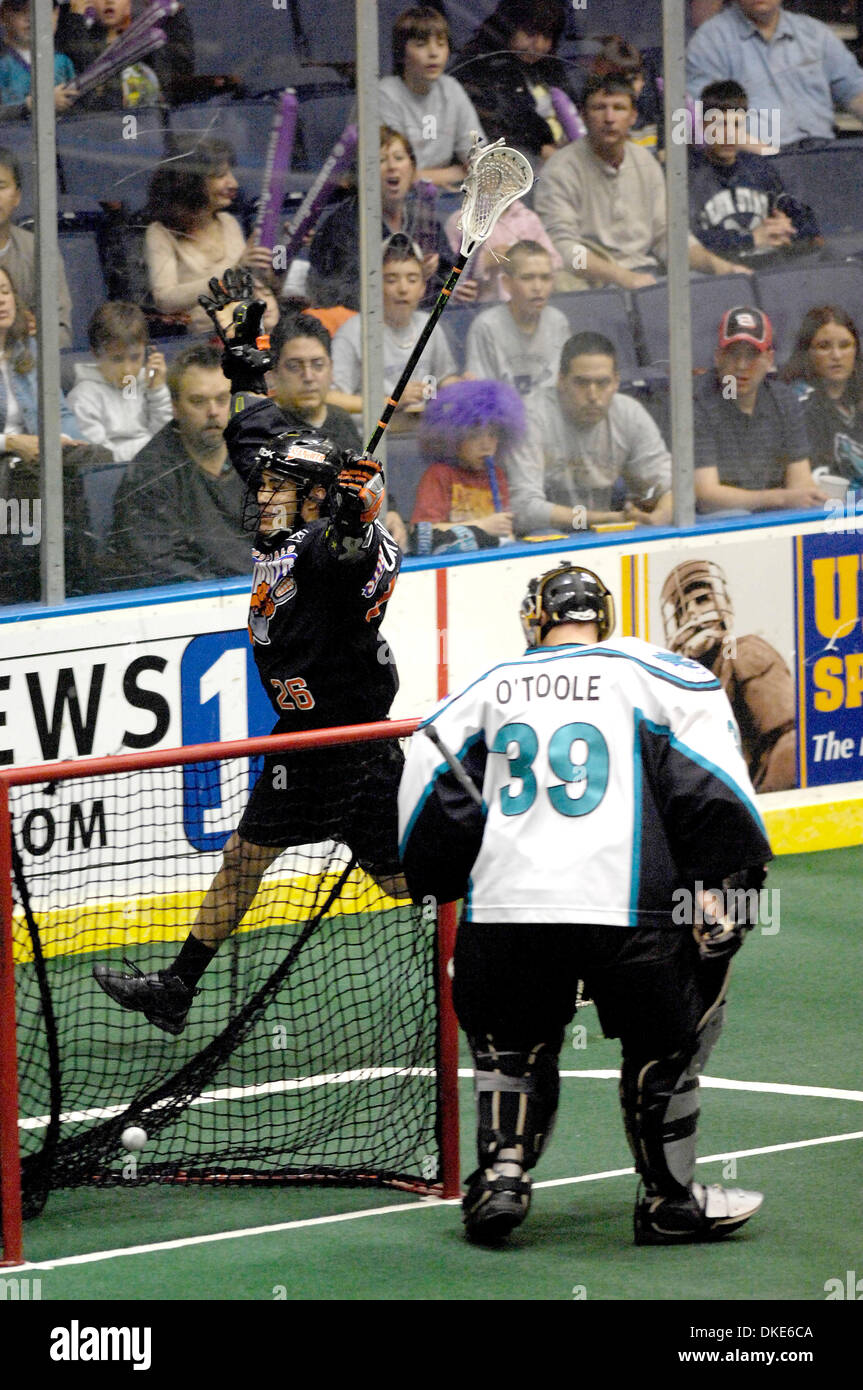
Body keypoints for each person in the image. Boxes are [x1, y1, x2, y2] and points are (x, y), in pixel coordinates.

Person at [398, 562, 772, 1244]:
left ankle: (502, 1178)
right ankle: (668, 1200)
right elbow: (710, 785)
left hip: (508, 911)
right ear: (601, 616)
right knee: (664, 1044)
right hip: (628, 913)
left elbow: (431, 790)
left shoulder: (486, 688)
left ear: (532, 618)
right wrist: (724, 885)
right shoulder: (656, 672)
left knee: (508, 1045)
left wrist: (436, 873)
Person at [94, 269, 406, 1035]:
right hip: (308, 738)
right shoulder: (289, 501)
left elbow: (366, 558)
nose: (259, 495)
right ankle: (176, 989)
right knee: (255, 859)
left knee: (401, 878)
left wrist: (360, 520)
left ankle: (530, 933)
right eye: (262, 486)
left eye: (276, 491)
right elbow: (254, 427)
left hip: (349, 742)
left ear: (311, 503)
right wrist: (246, 360)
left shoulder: (335, 553)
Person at [533, 74, 751, 292]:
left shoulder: (645, 161)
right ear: (583, 115)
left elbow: (667, 235)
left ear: (633, 116)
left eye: (619, 108)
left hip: (649, 275)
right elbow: (564, 248)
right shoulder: (560, 169)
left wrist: (720, 267)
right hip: (595, 285)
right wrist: (622, 277)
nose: (609, 118)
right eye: (599, 108)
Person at [108, 342, 249, 587]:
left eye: (222, 399)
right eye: (198, 401)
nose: (213, 411)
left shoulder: (259, 454)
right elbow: (160, 570)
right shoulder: (149, 476)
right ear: (175, 407)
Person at [505, 331, 673, 534]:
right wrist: (602, 520)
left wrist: (660, 516)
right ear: (561, 381)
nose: (593, 395)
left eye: (602, 383)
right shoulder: (531, 417)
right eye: (581, 383)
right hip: (544, 534)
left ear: (616, 382)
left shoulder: (630, 413)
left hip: (607, 529)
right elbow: (524, 510)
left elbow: (670, 484)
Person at [0, 266, 98, 603]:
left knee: (100, 458)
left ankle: (87, 570)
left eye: (5, 291)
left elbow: (59, 411)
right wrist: (10, 443)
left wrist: (69, 439)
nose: (1, 300)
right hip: (7, 465)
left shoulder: (28, 348)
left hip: (37, 459)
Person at [660, 558, 796, 792]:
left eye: (702, 600)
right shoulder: (685, 681)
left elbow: (790, 742)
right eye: (682, 609)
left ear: (724, 604)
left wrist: (765, 808)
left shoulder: (745, 653)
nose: (691, 612)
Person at [307, 125, 461, 314]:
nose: (392, 166)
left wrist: (440, 279)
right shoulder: (342, 226)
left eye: (399, 158)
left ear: (412, 169)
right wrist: (407, 277)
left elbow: (448, 282)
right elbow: (337, 295)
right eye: (380, 160)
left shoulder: (424, 219)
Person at [694, 306, 828, 512]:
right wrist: (782, 499)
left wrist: (800, 498)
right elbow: (707, 496)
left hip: (773, 520)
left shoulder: (783, 400)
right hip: (718, 525)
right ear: (718, 357)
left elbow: (801, 483)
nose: (741, 365)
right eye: (733, 354)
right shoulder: (699, 402)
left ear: (769, 359)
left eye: (752, 355)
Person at [686, 0, 863, 148]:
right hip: (753, 164)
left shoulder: (816, 34)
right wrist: (766, 154)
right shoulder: (710, 41)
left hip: (822, 158)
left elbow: (856, 93)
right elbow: (705, 121)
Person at [144, 136, 272, 334]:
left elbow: (251, 285)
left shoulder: (229, 222)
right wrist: (232, 274)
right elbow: (165, 299)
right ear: (191, 182)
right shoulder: (159, 233)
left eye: (231, 173)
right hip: (202, 346)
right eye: (221, 175)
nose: (234, 183)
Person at [688, 80, 822, 262]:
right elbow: (688, 240)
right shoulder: (689, 177)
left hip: (769, 270)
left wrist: (788, 227)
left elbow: (800, 215)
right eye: (719, 125)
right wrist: (750, 240)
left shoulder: (759, 169)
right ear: (703, 126)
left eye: (736, 125)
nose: (729, 134)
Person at [330, 234, 459, 418]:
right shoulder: (353, 332)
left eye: (412, 279)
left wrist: (463, 389)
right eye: (391, 280)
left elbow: (445, 379)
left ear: (422, 287)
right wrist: (390, 402)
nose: (403, 289)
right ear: (374, 285)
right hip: (372, 438)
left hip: (421, 435)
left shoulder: (428, 325)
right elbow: (331, 398)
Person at [378, 6, 486, 189]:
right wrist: (454, 173)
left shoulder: (451, 89)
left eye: (441, 44)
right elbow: (392, 176)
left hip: (444, 196)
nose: (433, 53)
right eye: (421, 45)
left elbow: (481, 161)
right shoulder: (383, 95)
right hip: (398, 200)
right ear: (401, 54)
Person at [457, 0, 580, 160]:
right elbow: (501, 130)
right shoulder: (481, 69)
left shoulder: (549, 66)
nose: (538, 45)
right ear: (507, 28)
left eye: (547, 36)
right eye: (530, 33)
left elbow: (574, 107)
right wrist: (544, 150)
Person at [410, 378, 522, 553]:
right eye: (475, 435)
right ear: (453, 437)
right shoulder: (439, 475)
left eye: (492, 435)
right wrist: (482, 526)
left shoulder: (497, 475)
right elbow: (423, 535)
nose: (486, 445)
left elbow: (505, 533)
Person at [68, 300, 172, 461]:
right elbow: (99, 458)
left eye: (135, 357)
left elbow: (166, 438)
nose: (128, 370)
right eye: (117, 359)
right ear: (96, 354)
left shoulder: (138, 382)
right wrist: (151, 449)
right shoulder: (83, 397)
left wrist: (158, 392)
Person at [464, 240, 569, 399]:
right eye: (527, 278)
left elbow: (564, 388)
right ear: (506, 283)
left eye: (545, 278)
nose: (538, 287)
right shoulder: (486, 326)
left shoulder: (558, 322)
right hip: (503, 419)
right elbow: (481, 394)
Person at [57, 0, 195, 110]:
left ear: (129, 4)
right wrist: (75, 19)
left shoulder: (149, 45)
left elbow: (179, 78)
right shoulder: (73, 39)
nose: (109, 1)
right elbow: (91, 77)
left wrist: (177, 17)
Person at [0, 146, 73, 349]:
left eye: (1, 186)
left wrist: (38, 333)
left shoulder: (39, 251)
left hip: (29, 369)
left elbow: (62, 332)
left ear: (17, 196)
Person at [782, 306, 863, 485]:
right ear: (807, 352)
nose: (836, 355)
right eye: (824, 346)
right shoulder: (796, 404)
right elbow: (817, 484)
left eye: (845, 345)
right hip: (830, 508)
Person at [0, 0, 77, 112]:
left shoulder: (63, 62)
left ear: (56, 14)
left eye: (42, 9)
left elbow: (77, 107)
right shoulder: (3, 63)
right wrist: (31, 105)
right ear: (2, 15)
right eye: (19, 10)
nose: (31, 17)